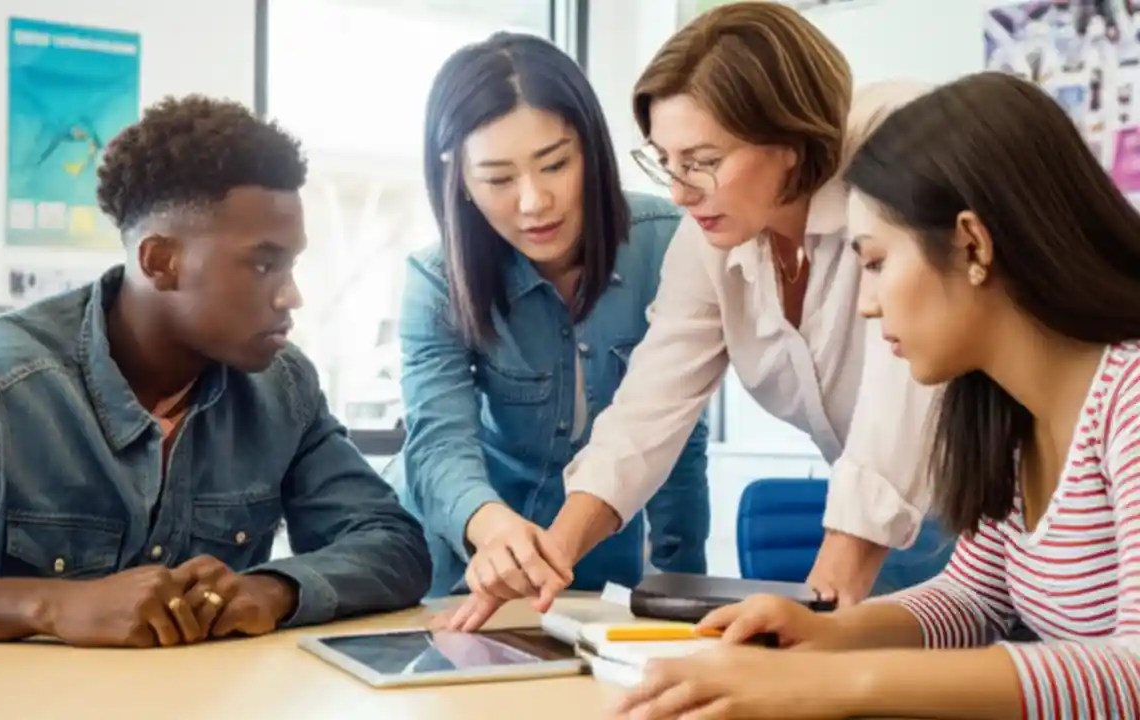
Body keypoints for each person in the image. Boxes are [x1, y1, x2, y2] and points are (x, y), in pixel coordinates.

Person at [614, 71, 1140, 720]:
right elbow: (972, 599)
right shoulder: (1005, 414)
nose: (866, 304)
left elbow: (1135, 672)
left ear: (972, 245)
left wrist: (833, 684)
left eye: (877, 262)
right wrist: (827, 634)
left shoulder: (1130, 398)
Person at [0, 96, 431, 662]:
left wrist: (272, 590)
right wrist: (53, 606)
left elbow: (394, 545)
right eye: (263, 265)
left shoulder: (283, 388)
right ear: (161, 261)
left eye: (291, 264)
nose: (290, 296)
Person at [448, 1, 945, 631]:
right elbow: (648, 409)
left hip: (998, 517)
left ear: (790, 141)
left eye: (703, 161)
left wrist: (816, 619)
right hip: (897, 539)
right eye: (668, 162)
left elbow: (897, 405)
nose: (679, 192)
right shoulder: (713, 240)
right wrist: (553, 556)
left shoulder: (892, 163)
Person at [397, 32, 711, 602]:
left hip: (598, 566)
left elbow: (676, 436)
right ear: (458, 179)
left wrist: (682, 585)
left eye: (555, 164)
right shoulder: (435, 281)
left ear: (591, 149)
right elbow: (438, 445)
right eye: (497, 178)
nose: (534, 201)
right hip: (464, 565)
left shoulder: (672, 244)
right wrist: (492, 529)